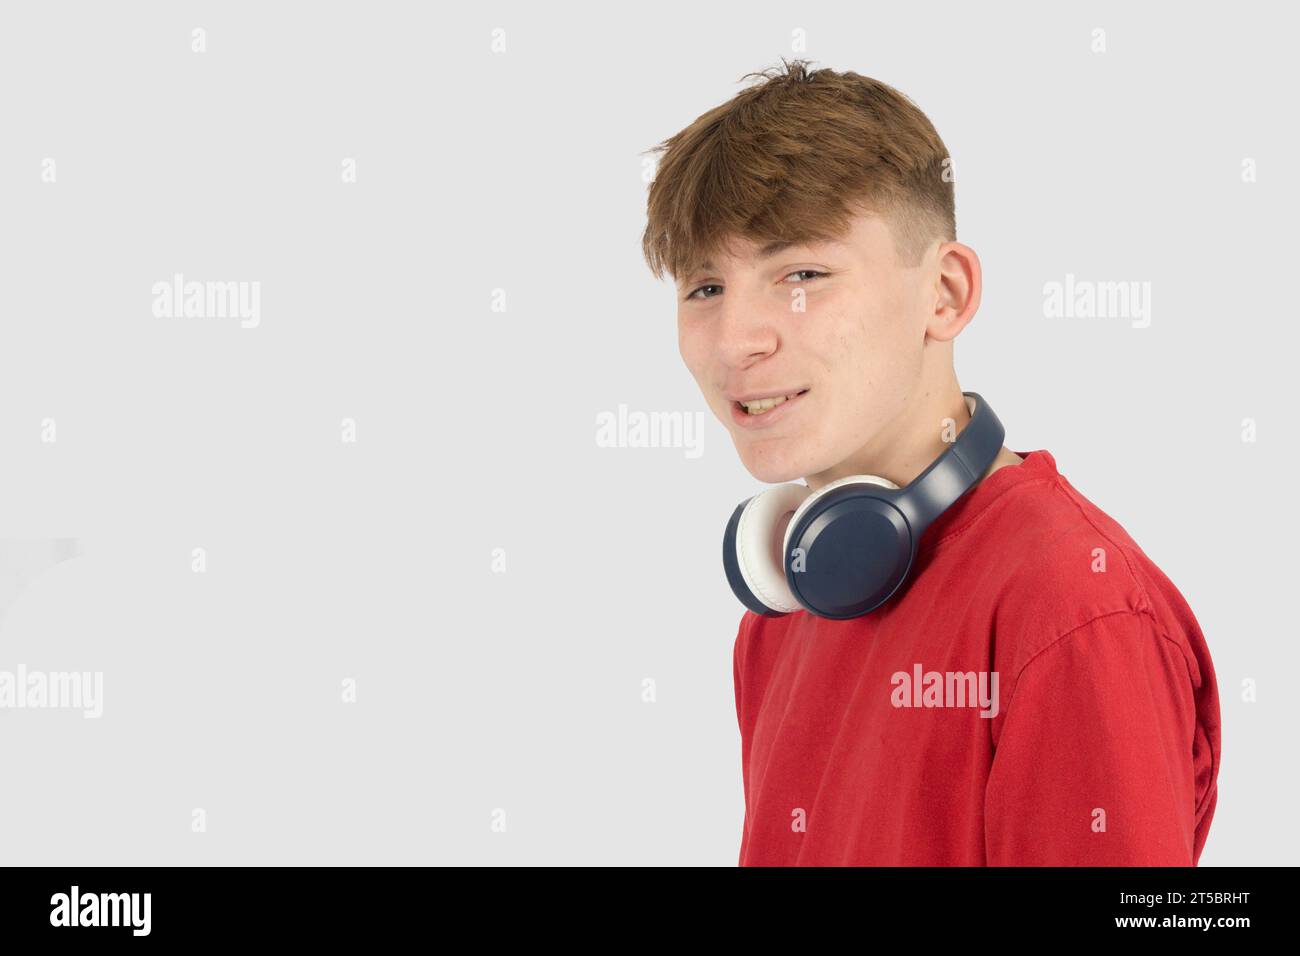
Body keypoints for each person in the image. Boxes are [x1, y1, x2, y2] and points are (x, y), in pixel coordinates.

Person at [640, 59, 1220, 865]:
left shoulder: (1075, 610)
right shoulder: (785, 611)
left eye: (802, 275)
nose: (737, 341)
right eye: (704, 288)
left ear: (944, 293)